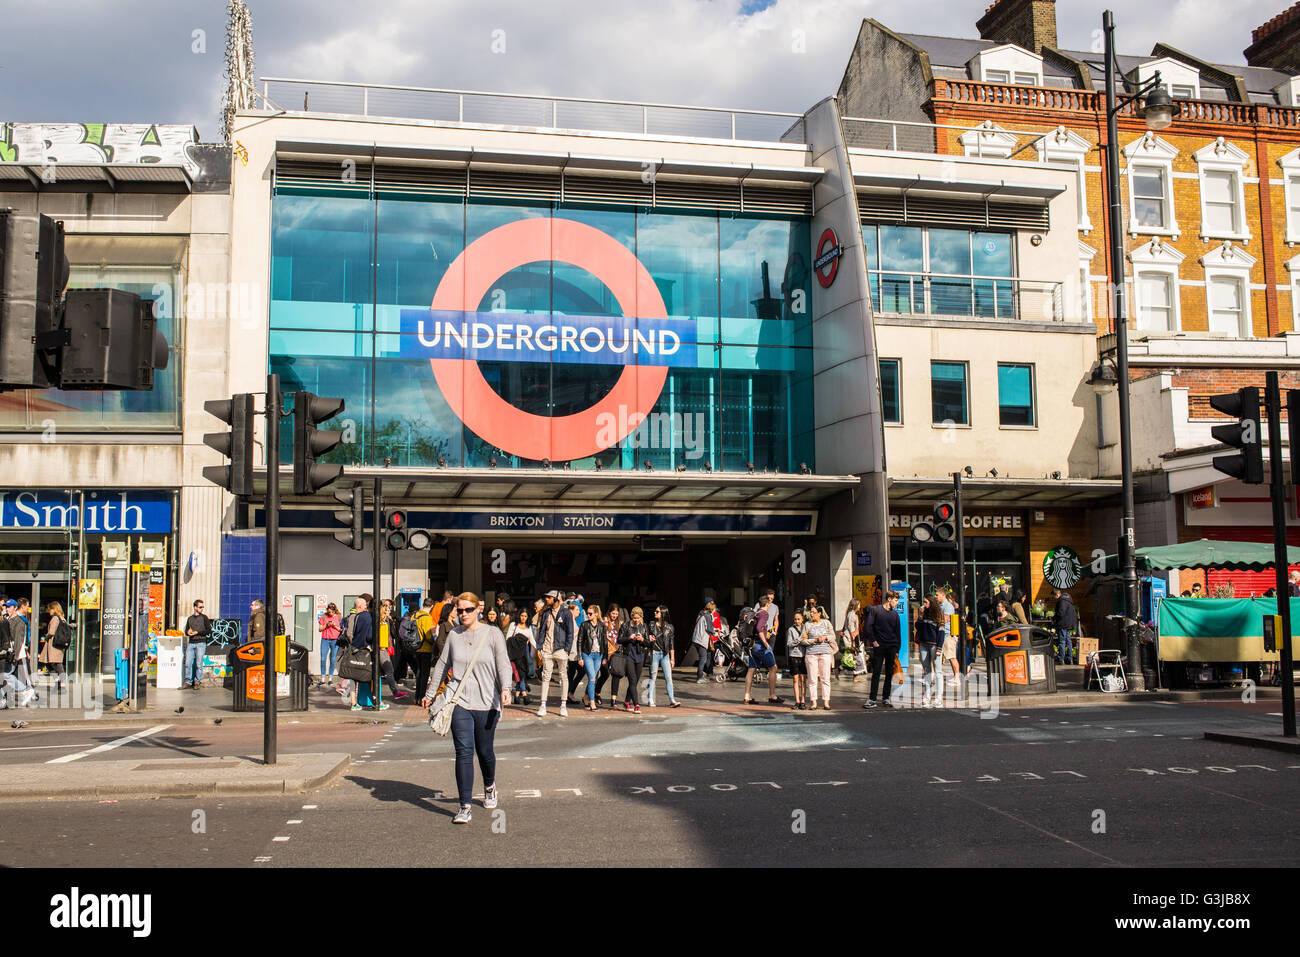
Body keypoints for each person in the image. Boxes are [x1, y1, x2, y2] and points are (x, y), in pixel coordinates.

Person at [424, 591, 512, 825]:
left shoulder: (492, 634)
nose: (463, 614)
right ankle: (465, 806)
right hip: (458, 701)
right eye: (459, 610)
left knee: (484, 752)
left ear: (478, 610)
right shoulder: (453, 634)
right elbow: (442, 665)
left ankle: (490, 786)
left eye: (468, 610)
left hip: (487, 702)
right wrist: (430, 694)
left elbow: (503, 663)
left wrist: (506, 688)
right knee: (463, 751)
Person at [536, 590, 576, 717]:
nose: (546, 599)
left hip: (560, 649)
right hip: (547, 649)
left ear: (556, 599)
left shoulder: (566, 613)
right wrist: (539, 647)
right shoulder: (546, 613)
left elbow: (570, 632)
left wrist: (567, 649)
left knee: (563, 676)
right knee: (546, 676)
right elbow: (542, 630)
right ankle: (543, 705)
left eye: (549, 597)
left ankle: (563, 705)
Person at [864, 590, 902, 709]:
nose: (896, 603)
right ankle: (872, 699)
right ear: (889, 599)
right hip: (879, 646)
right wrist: (874, 641)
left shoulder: (895, 615)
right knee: (876, 673)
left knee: (889, 673)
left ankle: (886, 698)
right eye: (895, 600)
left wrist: (897, 649)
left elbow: (897, 632)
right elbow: (868, 627)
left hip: (891, 646)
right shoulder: (876, 610)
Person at [743, 593, 782, 705]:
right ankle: (772, 695)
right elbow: (760, 628)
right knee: (773, 668)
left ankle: (747, 696)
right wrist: (765, 642)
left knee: (751, 669)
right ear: (768, 604)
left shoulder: (756, 613)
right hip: (760, 644)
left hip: (752, 644)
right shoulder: (764, 614)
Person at [802, 604, 835, 710]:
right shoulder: (807, 625)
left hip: (825, 653)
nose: (812, 614)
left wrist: (825, 637)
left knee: (825, 678)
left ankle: (826, 702)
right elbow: (802, 640)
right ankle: (814, 702)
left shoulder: (826, 623)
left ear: (819, 614)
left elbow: (833, 636)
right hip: (811, 654)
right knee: (812, 679)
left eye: (814, 612)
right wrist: (814, 640)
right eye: (810, 612)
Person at [574, 603, 606, 711]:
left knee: (594, 679)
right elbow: (579, 641)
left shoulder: (602, 625)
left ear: (596, 614)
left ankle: (586, 697)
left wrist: (605, 656)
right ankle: (592, 703)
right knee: (592, 678)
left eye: (590, 613)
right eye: (587, 613)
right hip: (587, 654)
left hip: (598, 655)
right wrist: (579, 657)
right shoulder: (584, 625)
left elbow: (604, 642)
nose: (588, 615)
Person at [646, 604, 680, 708]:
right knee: (653, 677)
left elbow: (671, 644)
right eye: (655, 611)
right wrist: (648, 638)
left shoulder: (670, 627)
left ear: (663, 614)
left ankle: (672, 699)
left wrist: (672, 658)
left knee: (669, 678)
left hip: (665, 654)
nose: (655, 613)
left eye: (657, 612)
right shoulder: (651, 625)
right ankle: (650, 699)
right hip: (655, 652)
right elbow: (646, 637)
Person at [619, 606, 651, 713]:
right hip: (628, 655)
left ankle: (627, 701)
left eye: (638, 618)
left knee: (635, 681)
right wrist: (629, 637)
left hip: (640, 656)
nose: (636, 620)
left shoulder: (644, 626)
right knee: (632, 680)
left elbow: (647, 643)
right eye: (634, 618)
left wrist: (642, 639)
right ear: (632, 616)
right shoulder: (625, 625)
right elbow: (619, 639)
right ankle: (636, 704)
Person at [916, 595, 945, 707]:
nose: (924, 604)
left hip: (934, 645)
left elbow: (941, 632)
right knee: (927, 671)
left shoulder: (938, 614)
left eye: (926, 602)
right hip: (923, 644)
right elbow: (918, 627)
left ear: (931, 603)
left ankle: (938, 698)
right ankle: (927, 696)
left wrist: (939, 647)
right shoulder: (924, 613)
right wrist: (920, 615)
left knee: (938, 672)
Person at [597, 604, 627, 705]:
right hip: (605, 651)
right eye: (613, 613)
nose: (614, 616)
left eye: (616, 614)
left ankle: (613, 699)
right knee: (605, 674)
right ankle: (597, 693)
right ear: (609, 612)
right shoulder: (604, 621)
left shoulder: (620, 623)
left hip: (616, 652)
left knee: (616, 674)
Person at [38, 600, 70, 694]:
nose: (49, 611)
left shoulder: (55, 618)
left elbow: (51, 632)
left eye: (50, 609)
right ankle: (59, 683)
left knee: (55, 665)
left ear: (54, 609)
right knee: (53, 664)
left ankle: (61, 685)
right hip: (58, 645)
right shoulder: (62, 618)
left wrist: (46, 636)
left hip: (53, 645)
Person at [505, 606, 533, 706]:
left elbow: (532, 639)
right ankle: (524, 694)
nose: (523, 618)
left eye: (525, 616)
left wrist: (539, 650)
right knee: (519, 672)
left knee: (522, 672)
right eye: (522, 615)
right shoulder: (513, 624)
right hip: (514, 651)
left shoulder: (529, 627)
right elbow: (508, 637)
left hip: (524, 652)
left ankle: (517, 695)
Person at [413, 598, 439, 700]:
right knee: (424, 675)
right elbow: (428, 636)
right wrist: (435, 642)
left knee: (419, 673)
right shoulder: (427, 618)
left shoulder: (414, 615)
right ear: (431, 606)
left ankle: (417, 696)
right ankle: (421, 696)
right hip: (425, 649)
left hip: (415, 648)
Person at [183, 598, 210, 690]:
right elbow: (186, 630)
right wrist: (188, 632)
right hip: (191, 643)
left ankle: (197, 681)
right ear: (195, 607)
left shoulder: (204, 617)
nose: (202, 609)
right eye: (200, 607)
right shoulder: (190, 618)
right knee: (188, 663)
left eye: (202, 607)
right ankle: (188, 681)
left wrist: (197, 632)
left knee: (199, 663)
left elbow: (208, 630)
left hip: (201, 643)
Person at [692, 600, 721, 682]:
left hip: (696, 639)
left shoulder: (702, 614)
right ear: (712, 609)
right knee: (703, 659)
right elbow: (709, 629)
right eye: (714, 609)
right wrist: (716, 633)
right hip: (701, 640)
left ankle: (700, 676)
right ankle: (700, 677)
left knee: (702, 658)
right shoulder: (708, 616)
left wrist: (714, 630)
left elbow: (704, 626)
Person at [786, 610, 808, 709]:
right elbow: (789, 643)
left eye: (799, 619)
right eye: (795, 619)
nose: (797, 621)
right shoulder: (791, 629)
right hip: (794, 655)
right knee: (795, 679)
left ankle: (803, 700)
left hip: (804, 655)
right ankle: (797, 701)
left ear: (802, 619)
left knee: (803, 679)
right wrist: (799, 639)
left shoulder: (806, 628)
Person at [1053, 587, 1079, 665]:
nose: (1054, 598)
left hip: (1063, 624)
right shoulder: (1068, 600)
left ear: (1057, 595)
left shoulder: (1062, 601)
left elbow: (1061, 613)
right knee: (1069, 642)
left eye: (1054, 596)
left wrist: (1054, 618)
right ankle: (1070, 659)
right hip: (1069, 624)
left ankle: (1061, 659)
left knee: (1062, 642)